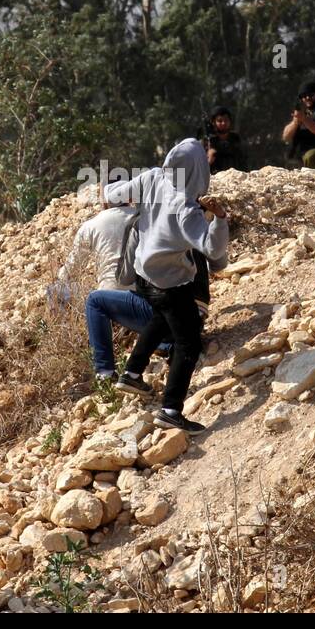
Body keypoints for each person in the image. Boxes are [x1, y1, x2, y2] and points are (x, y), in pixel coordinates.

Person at [104, 139, 229, 435]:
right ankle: (171, 410)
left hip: (142, 276)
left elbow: (112, 195)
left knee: (162, 317)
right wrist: (220, 218)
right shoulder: (187, 210)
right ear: (199, 169)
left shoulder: (152, 177)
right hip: (171, 282)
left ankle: (132, 373)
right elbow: (212, 249)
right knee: (188, 343)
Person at [86, 250, 214, 380]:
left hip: (167, 313)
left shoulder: (144, 231)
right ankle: (169, 345)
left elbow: (125, 277)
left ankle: (105, 373)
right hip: (195, 320)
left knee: (95, 300)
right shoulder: (191, 233)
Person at [204, 106, 247, 173]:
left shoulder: (235, 139)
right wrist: (208, 161)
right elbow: (199, 170)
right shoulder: (206, 142)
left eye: (226, 120)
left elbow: (244, 163)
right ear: (213, 122)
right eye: (220, 121)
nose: (223, 123)